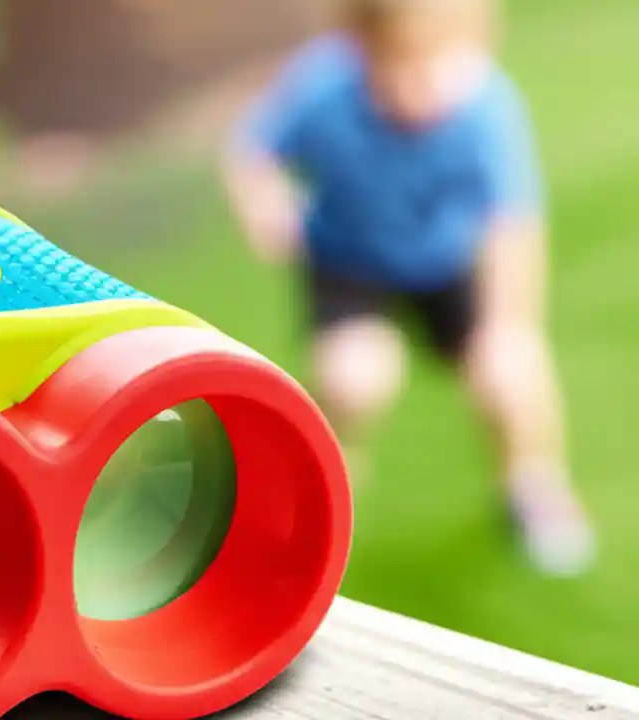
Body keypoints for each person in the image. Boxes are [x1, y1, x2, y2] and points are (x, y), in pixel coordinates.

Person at [223, 0, 594, 575]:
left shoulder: (488, 109)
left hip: (446, 263)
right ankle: (318, 496)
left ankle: (532, 486)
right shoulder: (323, 88)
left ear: (482, 45)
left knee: (512, 372)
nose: (418, 86)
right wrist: (265, 203)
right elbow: (253, 150)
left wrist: (506, 324)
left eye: (438, 64)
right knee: (354, 378)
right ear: (360, 50)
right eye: (399, 65)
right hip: (350, 263)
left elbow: (512, 227)